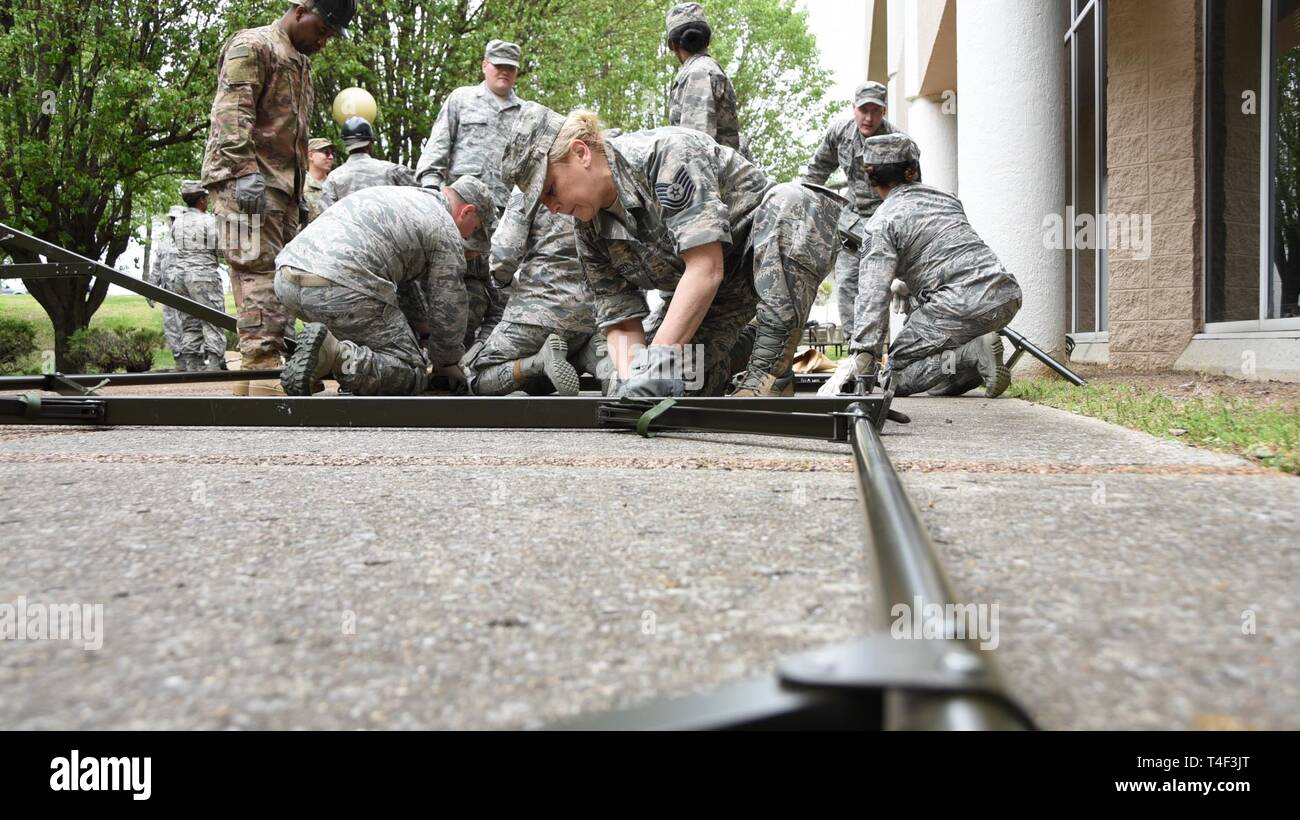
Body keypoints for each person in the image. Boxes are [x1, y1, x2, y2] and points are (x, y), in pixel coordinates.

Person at [502, 106, 843, 398]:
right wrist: (633, 376)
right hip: (714, 296)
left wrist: (656, 360)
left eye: (550, 190)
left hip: (766, 258)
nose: (553, 207)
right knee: (684, 382)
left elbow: (705, 267)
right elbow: (621, 318)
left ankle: (770, 371)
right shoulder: (589, 228)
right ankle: (745, 345)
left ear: (580, 152)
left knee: (790, 201)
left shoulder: (665, 156)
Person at [200, 0, 354, 395]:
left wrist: (299, 190)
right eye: (321, 30)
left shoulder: (300, 63)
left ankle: (253, 379)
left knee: (282, 276)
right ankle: (261, 369)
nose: (323, 41)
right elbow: (232, 114)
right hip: (247, 179)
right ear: (301, 11)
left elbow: (294, 134)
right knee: (255, 270)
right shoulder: (253, 45)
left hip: (282, 186)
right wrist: (243, 173)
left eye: (329, 36)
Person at [274, 177, 496, 396]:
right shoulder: (445, 228)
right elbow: (448, 305)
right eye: (474, 229)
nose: (468, 238)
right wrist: (446, 363)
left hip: (287, 280)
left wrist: (421, 329)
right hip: (341, 289)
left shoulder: (405, 199)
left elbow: (403, 283)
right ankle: (336, 356)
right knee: (410, 371)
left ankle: (318, 358)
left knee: (376, 344)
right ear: (466, 211)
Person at [841, 133, 1022, 398]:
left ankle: (971, 355)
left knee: (893, 376)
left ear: (871, 179)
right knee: (937, 375)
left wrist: (863, 357)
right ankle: (968, 363)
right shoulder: (946, 198)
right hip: (1005, 295)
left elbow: (873, 294)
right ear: (912, 171)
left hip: (959, 305)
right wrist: (908, 286)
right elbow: (945, 254)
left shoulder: (881, 222)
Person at [414, 39, 525, 346]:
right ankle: (444, 351)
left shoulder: (525, 113)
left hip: (505, 221)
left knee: (500, 287)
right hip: (460, 215)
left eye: (510, 68)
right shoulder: (462, 99)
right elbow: (436, 150)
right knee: (451, 282)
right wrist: (432, 196)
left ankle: (492, 351)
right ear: (484, 65)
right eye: (498, 65)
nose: (504, 72)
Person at [461, 189, 612, 396]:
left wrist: (503, 283)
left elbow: (504, 255)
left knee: (476, 377)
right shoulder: (601, 176)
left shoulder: (534, 180)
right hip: (595, 315)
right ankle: (594, 356)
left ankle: (539, 361)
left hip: (538, 311)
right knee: (557, 363)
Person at [803, 81, 895, 341]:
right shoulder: (840, 134)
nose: (868, 118)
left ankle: (877, 349)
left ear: (884, 111)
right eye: (863, 110)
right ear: (853, 108)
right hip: (852, 222)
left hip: (886, 221)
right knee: (846, 284)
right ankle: (857, 350)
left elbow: (910, 189)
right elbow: (816, 171)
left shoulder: (897, 142)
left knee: (878, 287)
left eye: (875, 111)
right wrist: (808, 208)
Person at [665, 3, 743, 152]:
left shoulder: (698, 73)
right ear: (707, 40)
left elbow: (696, 149)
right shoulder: (706, 69)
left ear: (674, 45)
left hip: (707, 172)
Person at [170, 181, 230, 371]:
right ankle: (214, 364)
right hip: (202, 275)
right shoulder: (208, 221)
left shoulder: (177, 221)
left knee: (189, 322)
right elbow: (220, 249)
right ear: (202, 200)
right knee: (213, 319)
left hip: (179, 277)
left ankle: (192, 364)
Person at [319, 117, 417, 209]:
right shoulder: (391, 170)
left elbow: (326, 214)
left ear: (346, 145)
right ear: (369, 144)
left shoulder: (333, 178)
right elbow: (424, 191)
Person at [145, 206, 185, 366]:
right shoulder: (164, 242)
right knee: (171, 327)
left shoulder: (192, 240)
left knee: (190, 327)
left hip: (188, 294)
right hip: (169, 294)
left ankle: (195, 360)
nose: (173, 222)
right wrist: (150, 291)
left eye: (176, 219)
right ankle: (179, 360)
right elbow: (156, 267)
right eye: (171, 219)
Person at [302, 137, 335, 224]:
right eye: (326, 153)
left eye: (332, 154)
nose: (331, 157)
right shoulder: (300, 185)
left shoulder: (336, 183)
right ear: (311, 155)